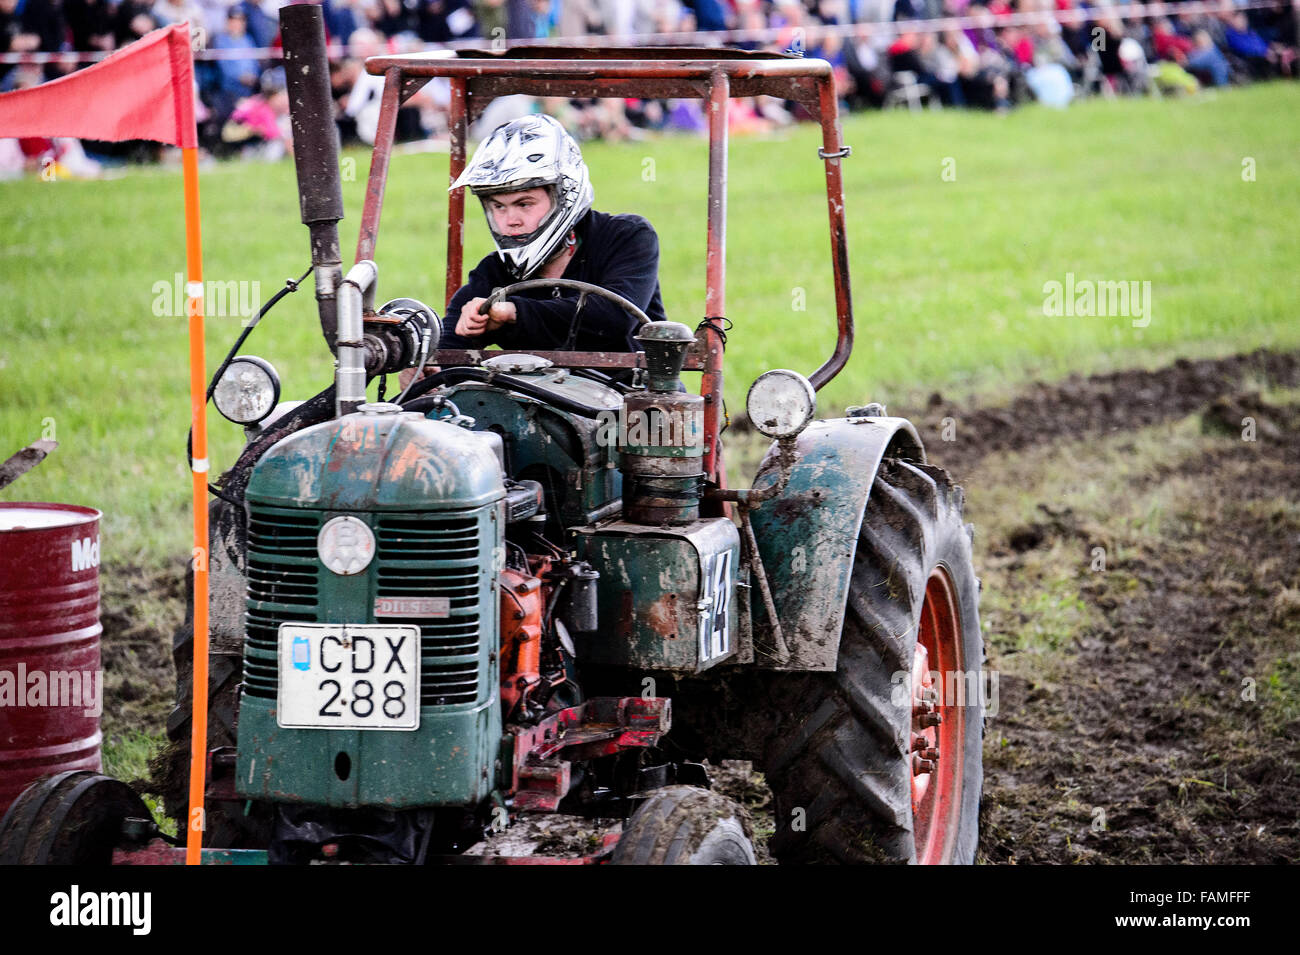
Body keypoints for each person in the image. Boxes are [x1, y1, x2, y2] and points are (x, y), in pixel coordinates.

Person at [438, 113, 666, 356]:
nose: (510, 221)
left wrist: (513, 312)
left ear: (563, 196)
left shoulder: (626, 237)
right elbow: (450, 343)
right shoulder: (496, 271)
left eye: (524, 204)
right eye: (498, 207)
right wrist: (428, 363)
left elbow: (614, 318)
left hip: (628, 389)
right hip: (532, 394)